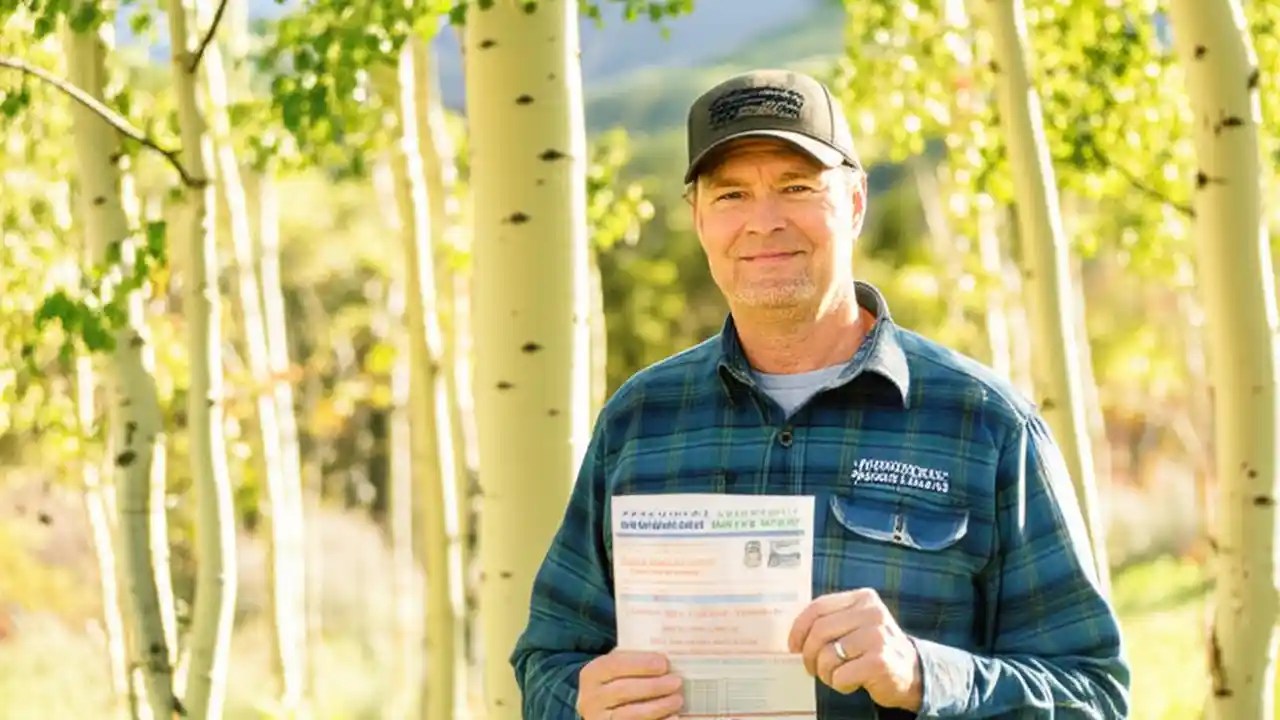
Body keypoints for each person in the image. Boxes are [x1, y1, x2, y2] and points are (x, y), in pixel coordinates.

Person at [509, 69, 1130, 719]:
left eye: (796, 187)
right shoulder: (638, 423)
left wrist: (925, 675)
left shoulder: (986, 425)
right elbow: (548, 659)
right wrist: (579, 701)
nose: (764, 222)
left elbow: (1093, 694)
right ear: (698, 218)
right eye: (731, 196)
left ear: (856, 201)